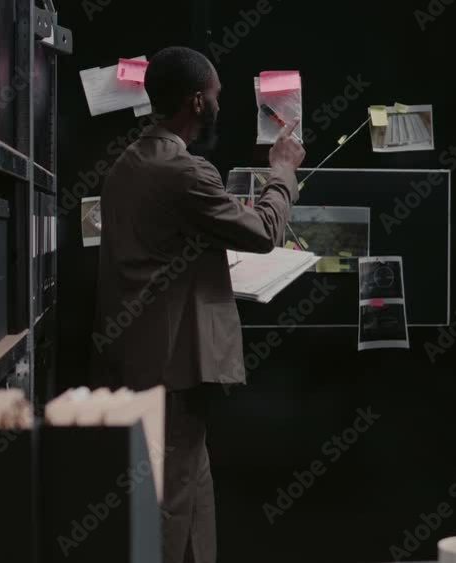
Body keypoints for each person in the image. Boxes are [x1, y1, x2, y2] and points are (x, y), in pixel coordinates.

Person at [92, 46, 306, 563]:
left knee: (191, 485)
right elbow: (263, 232)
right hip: (173, 363)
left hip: (147, 356)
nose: (218, 104)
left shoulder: (131, 160)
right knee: (173, 497)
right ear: (196, 102)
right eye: (215, 96)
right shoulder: (183, 170)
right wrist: (281, 172)